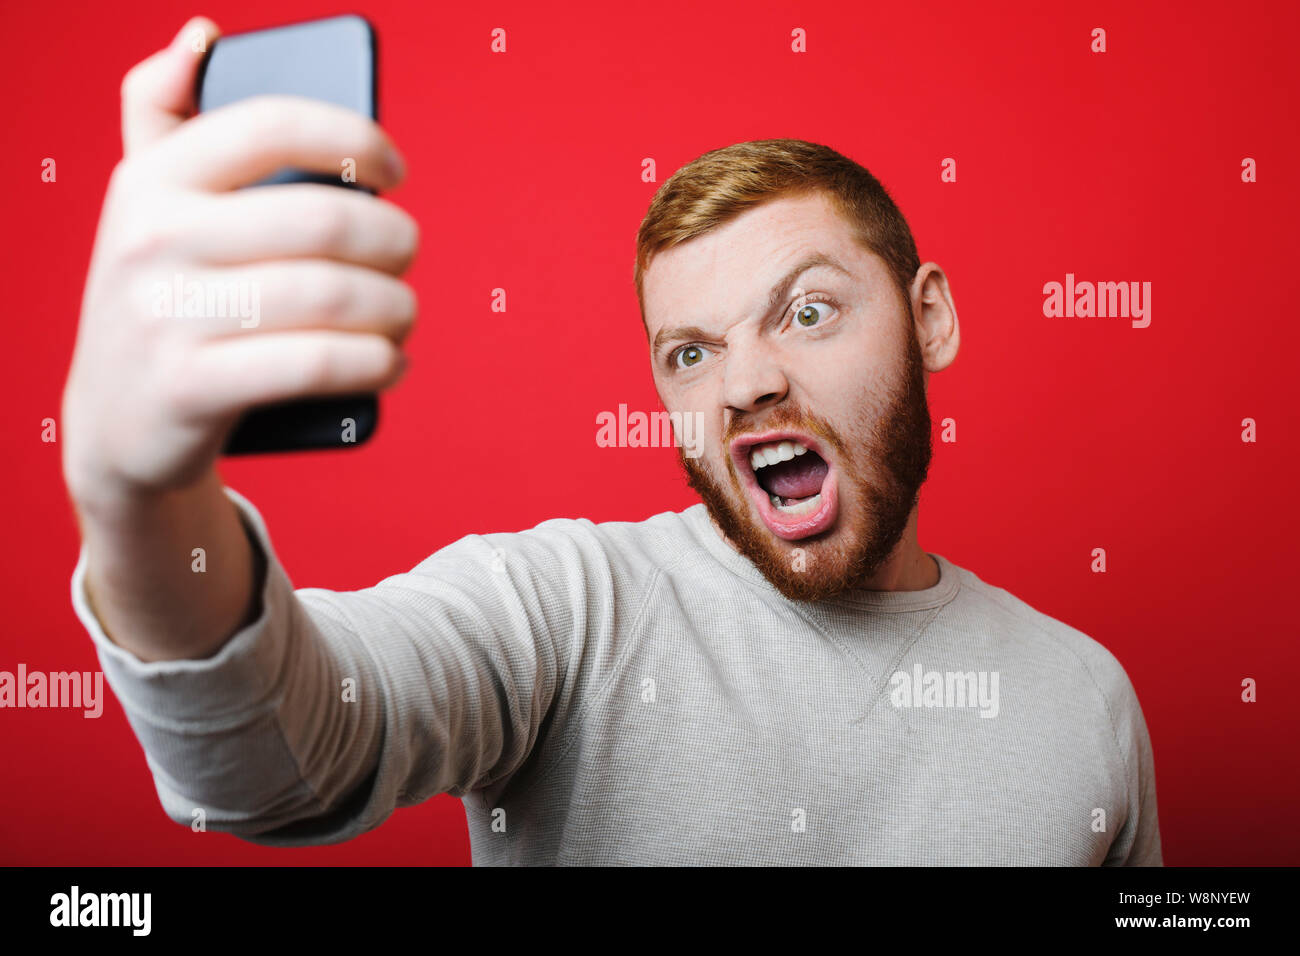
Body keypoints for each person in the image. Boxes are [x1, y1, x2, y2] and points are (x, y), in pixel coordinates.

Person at [62, 16, 1162, 865]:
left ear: (930, 318)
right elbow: (271, 761)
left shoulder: (1084, 700)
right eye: (689, 352)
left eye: (807, 312)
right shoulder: (566, 608)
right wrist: (134, 499)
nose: (747, 381)